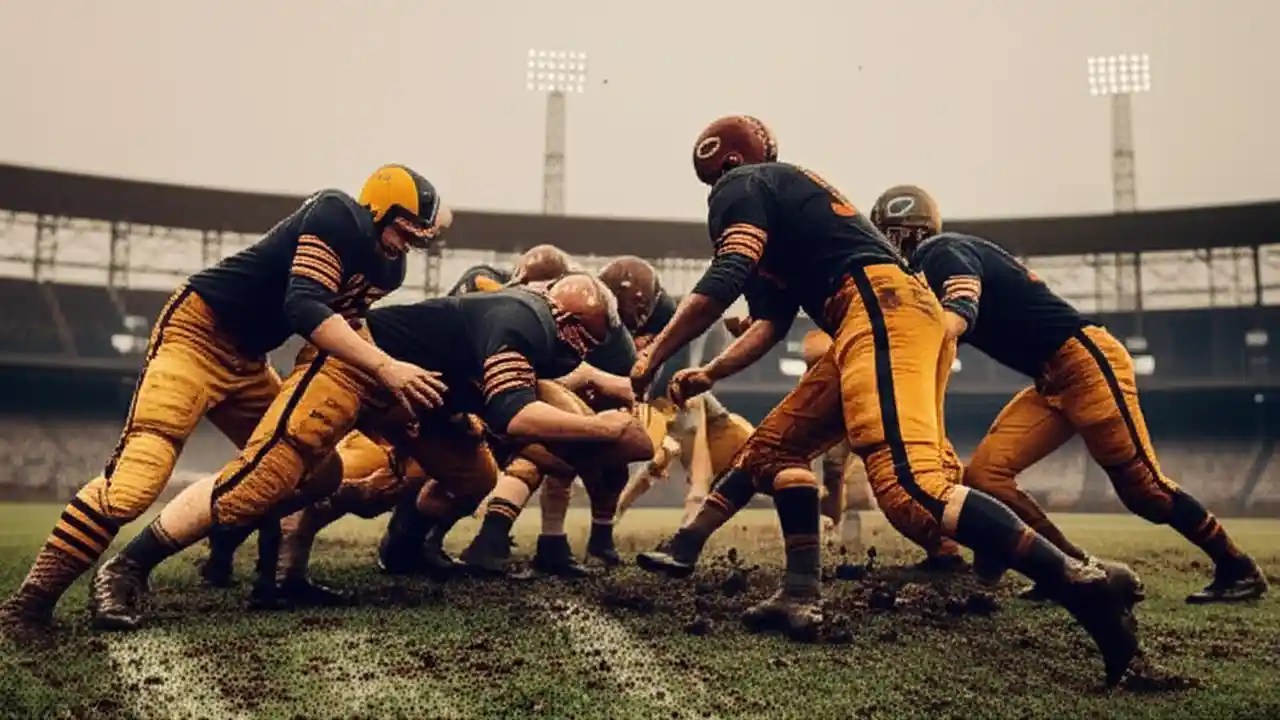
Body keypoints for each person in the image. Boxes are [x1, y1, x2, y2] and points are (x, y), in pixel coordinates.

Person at [631, 115, 1143, 685]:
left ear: (723, 162)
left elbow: (728, 272)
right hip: (872, 313)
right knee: (771, 450)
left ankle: (1081, 581)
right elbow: (771, 322)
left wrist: (656, 354)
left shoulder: (741, 185)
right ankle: (786, 587)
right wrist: (712, 369)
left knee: (911, 486)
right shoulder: (778, 198)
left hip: (878, 309)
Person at [0, 164, 448, 636]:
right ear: (379, 209)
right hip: (196, 336)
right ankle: (30, 602)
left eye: (418, 239)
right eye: (404, 231)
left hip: (248, 363)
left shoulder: (388, 267)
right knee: (135, 483)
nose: (406, 246)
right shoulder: (338, 214)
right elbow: (304, 305)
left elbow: (341, 331)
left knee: (319, 472)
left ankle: (260, 572)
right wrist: (385, 366)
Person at [87, 275, 647, 630]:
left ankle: (286, 568)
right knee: (272, 474)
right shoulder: (521, 320)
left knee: (473, 475)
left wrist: (594, 427)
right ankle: (131, 563)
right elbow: (516, 415)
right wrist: (600, 432)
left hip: (420, 397)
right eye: (588, 341)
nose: (584, 352)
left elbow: (535, 412)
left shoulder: (531, 318)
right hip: (359, 367)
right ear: (571, 326)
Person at [869, 184, 1267, 604]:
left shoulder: (940, 251)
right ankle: (1072, 569)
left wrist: (942, 332)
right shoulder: (939, 261)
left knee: (1144, 491)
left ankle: (1237, 566)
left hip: (1085, 361)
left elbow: (964, 294)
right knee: (986, 477)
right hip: (1051, 379)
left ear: (900, 234)